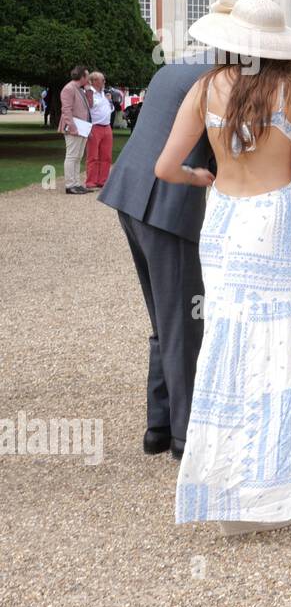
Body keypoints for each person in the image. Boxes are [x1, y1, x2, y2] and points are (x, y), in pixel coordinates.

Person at [154, 0, 291, 536]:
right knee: (280, 355)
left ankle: (222, 489)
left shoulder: (204, 87)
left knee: (225, 350)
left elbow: (168, 166)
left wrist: (201, 178)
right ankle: (269, 489)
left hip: (223, 226)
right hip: (274, 226)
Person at [100, 60, 214, 460]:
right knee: (184, 322)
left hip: (130, 194)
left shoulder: (172, 70)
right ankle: (184, 435)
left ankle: (159, 425)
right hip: (168, 207)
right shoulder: (216, 83)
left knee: (163, 320)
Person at [59, 66, 93, 194]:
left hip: (82, 127)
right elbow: (66, 110)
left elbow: (90, 105)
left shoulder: (80, 89)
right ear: (82, 77)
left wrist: (89, 90)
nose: (89, 79)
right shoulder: (69, 88)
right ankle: (70, 185)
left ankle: (76, 183)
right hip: (74, 127)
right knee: (72, 156)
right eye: (87, 76)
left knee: (78, 157)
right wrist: (72, 127)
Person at [83, 72, 115, 190]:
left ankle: (103, 180)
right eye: (102, 80)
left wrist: (110, 101)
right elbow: (89, 108)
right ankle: (91, 181)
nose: (104, 82)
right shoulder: (89, 93)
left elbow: (110, 109)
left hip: (107, 127)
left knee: (106, 156)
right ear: (95, 81)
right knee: (93, 156)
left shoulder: (103, 94)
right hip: (94, 126)